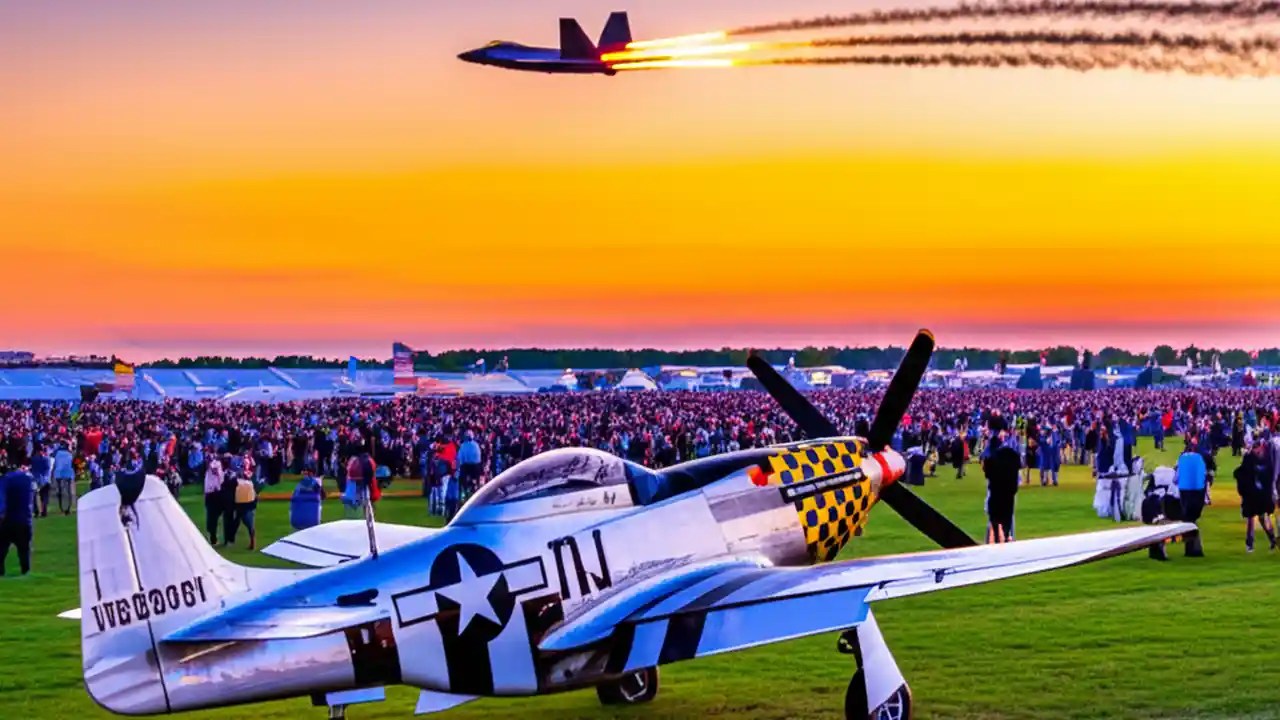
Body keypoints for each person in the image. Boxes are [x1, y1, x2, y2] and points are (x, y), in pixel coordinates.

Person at [1234, 440, 1276, 553]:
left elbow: (1269, 477)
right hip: (1252, 495)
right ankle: (1250, 543)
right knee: (1252, 519)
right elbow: (1242, 474)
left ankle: (1272, 539)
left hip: (1261, 495)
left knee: (1263, 518)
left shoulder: (1266, 460)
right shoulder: (1251, 459)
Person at [983, 433, 1022, 544]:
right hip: (1008, 496)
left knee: (993, 523)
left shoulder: (992, 458)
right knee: (1008, 523)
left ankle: (993, 542)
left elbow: (988, 475)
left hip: (995, 496)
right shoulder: (1012, 457)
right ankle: (1008, 539)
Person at [0, 457, 36, 576]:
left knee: (1, 549)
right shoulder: (29, 479)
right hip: (25, 519)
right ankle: (25, 572)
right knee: (24, 550)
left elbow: (2, 500)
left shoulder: (5, 480)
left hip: (8, 520)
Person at [1176, 439, 1208, 557]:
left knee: (1187, 519)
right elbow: (1204, 474)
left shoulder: (1182, 459)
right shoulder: (1199, 458)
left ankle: (1191, 547)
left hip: (1185, 490)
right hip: (1198, 490)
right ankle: (1194, 547)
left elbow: (1177, 477)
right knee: (1192, 519)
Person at [203, 453, 225, 545]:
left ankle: (217, 536)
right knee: (211, 517)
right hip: (210, 494)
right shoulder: (207, 471)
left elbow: (216, 470)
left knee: (215, 516)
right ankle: (213, 537)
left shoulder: (217, 465)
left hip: (217, 494)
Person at [52, 443, 75, 515]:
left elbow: (55, 464)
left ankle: (61, 508)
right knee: (69, 491)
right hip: (68, 473)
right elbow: (73, 464)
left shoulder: (57, 454)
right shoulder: (70, 454)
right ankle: (68, 508)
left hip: (59, 474)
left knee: (60, 491)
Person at [29, 445, 51, 518]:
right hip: (45, 479)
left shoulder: (33, 459)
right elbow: (48, 469)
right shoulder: (47, 459)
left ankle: (36, 511)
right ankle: (44, 511)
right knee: (44, 496)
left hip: (35, 479)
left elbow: (31, 468)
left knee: (35, 496)